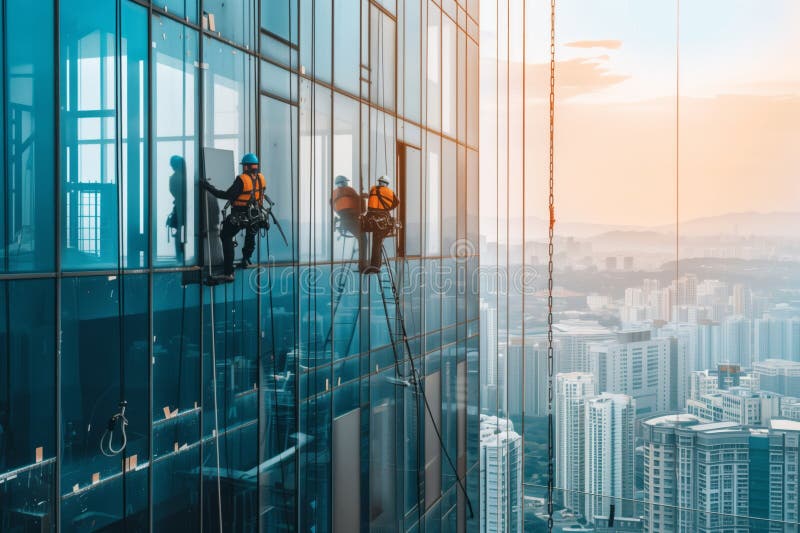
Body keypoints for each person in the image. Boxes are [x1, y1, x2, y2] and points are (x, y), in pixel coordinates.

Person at [201, 152, 266, 281]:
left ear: (246, 167)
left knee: (226, 235)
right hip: (255, 216)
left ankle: (228, 272)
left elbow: (226, 195)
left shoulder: (242, 179)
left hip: (240, 216)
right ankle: (246, 259)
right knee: (251, 233)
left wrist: (208, 187)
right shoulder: (261, 178)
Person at [362, 175, 399, 274]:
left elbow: (370, 201)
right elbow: (396, 202)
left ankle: (369, 264)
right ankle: (375, 266)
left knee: (374, 241)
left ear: (379, 182)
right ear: (386, 184)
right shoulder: (390, 192)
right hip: (382, 221)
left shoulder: (372, 189)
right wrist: (387, 208)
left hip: (371, 220)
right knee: (377, 243)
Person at [330, 175, 367, 269]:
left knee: (360, 236)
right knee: (363, 238)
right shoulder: (350, 190)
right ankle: (362, 265)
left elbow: (334, 207)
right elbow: (360, 203)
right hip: (352, 219)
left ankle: (362, 263)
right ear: (345, 182)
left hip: (342, 220)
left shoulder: (334, 194)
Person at [166, 155, 187, 263]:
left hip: (178, 208)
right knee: (185, 232)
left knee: (179, 232)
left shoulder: (173, 178)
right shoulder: (185, 177)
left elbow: (173, 192)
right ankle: (183, 255)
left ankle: (179, 255)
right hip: (185, 208)